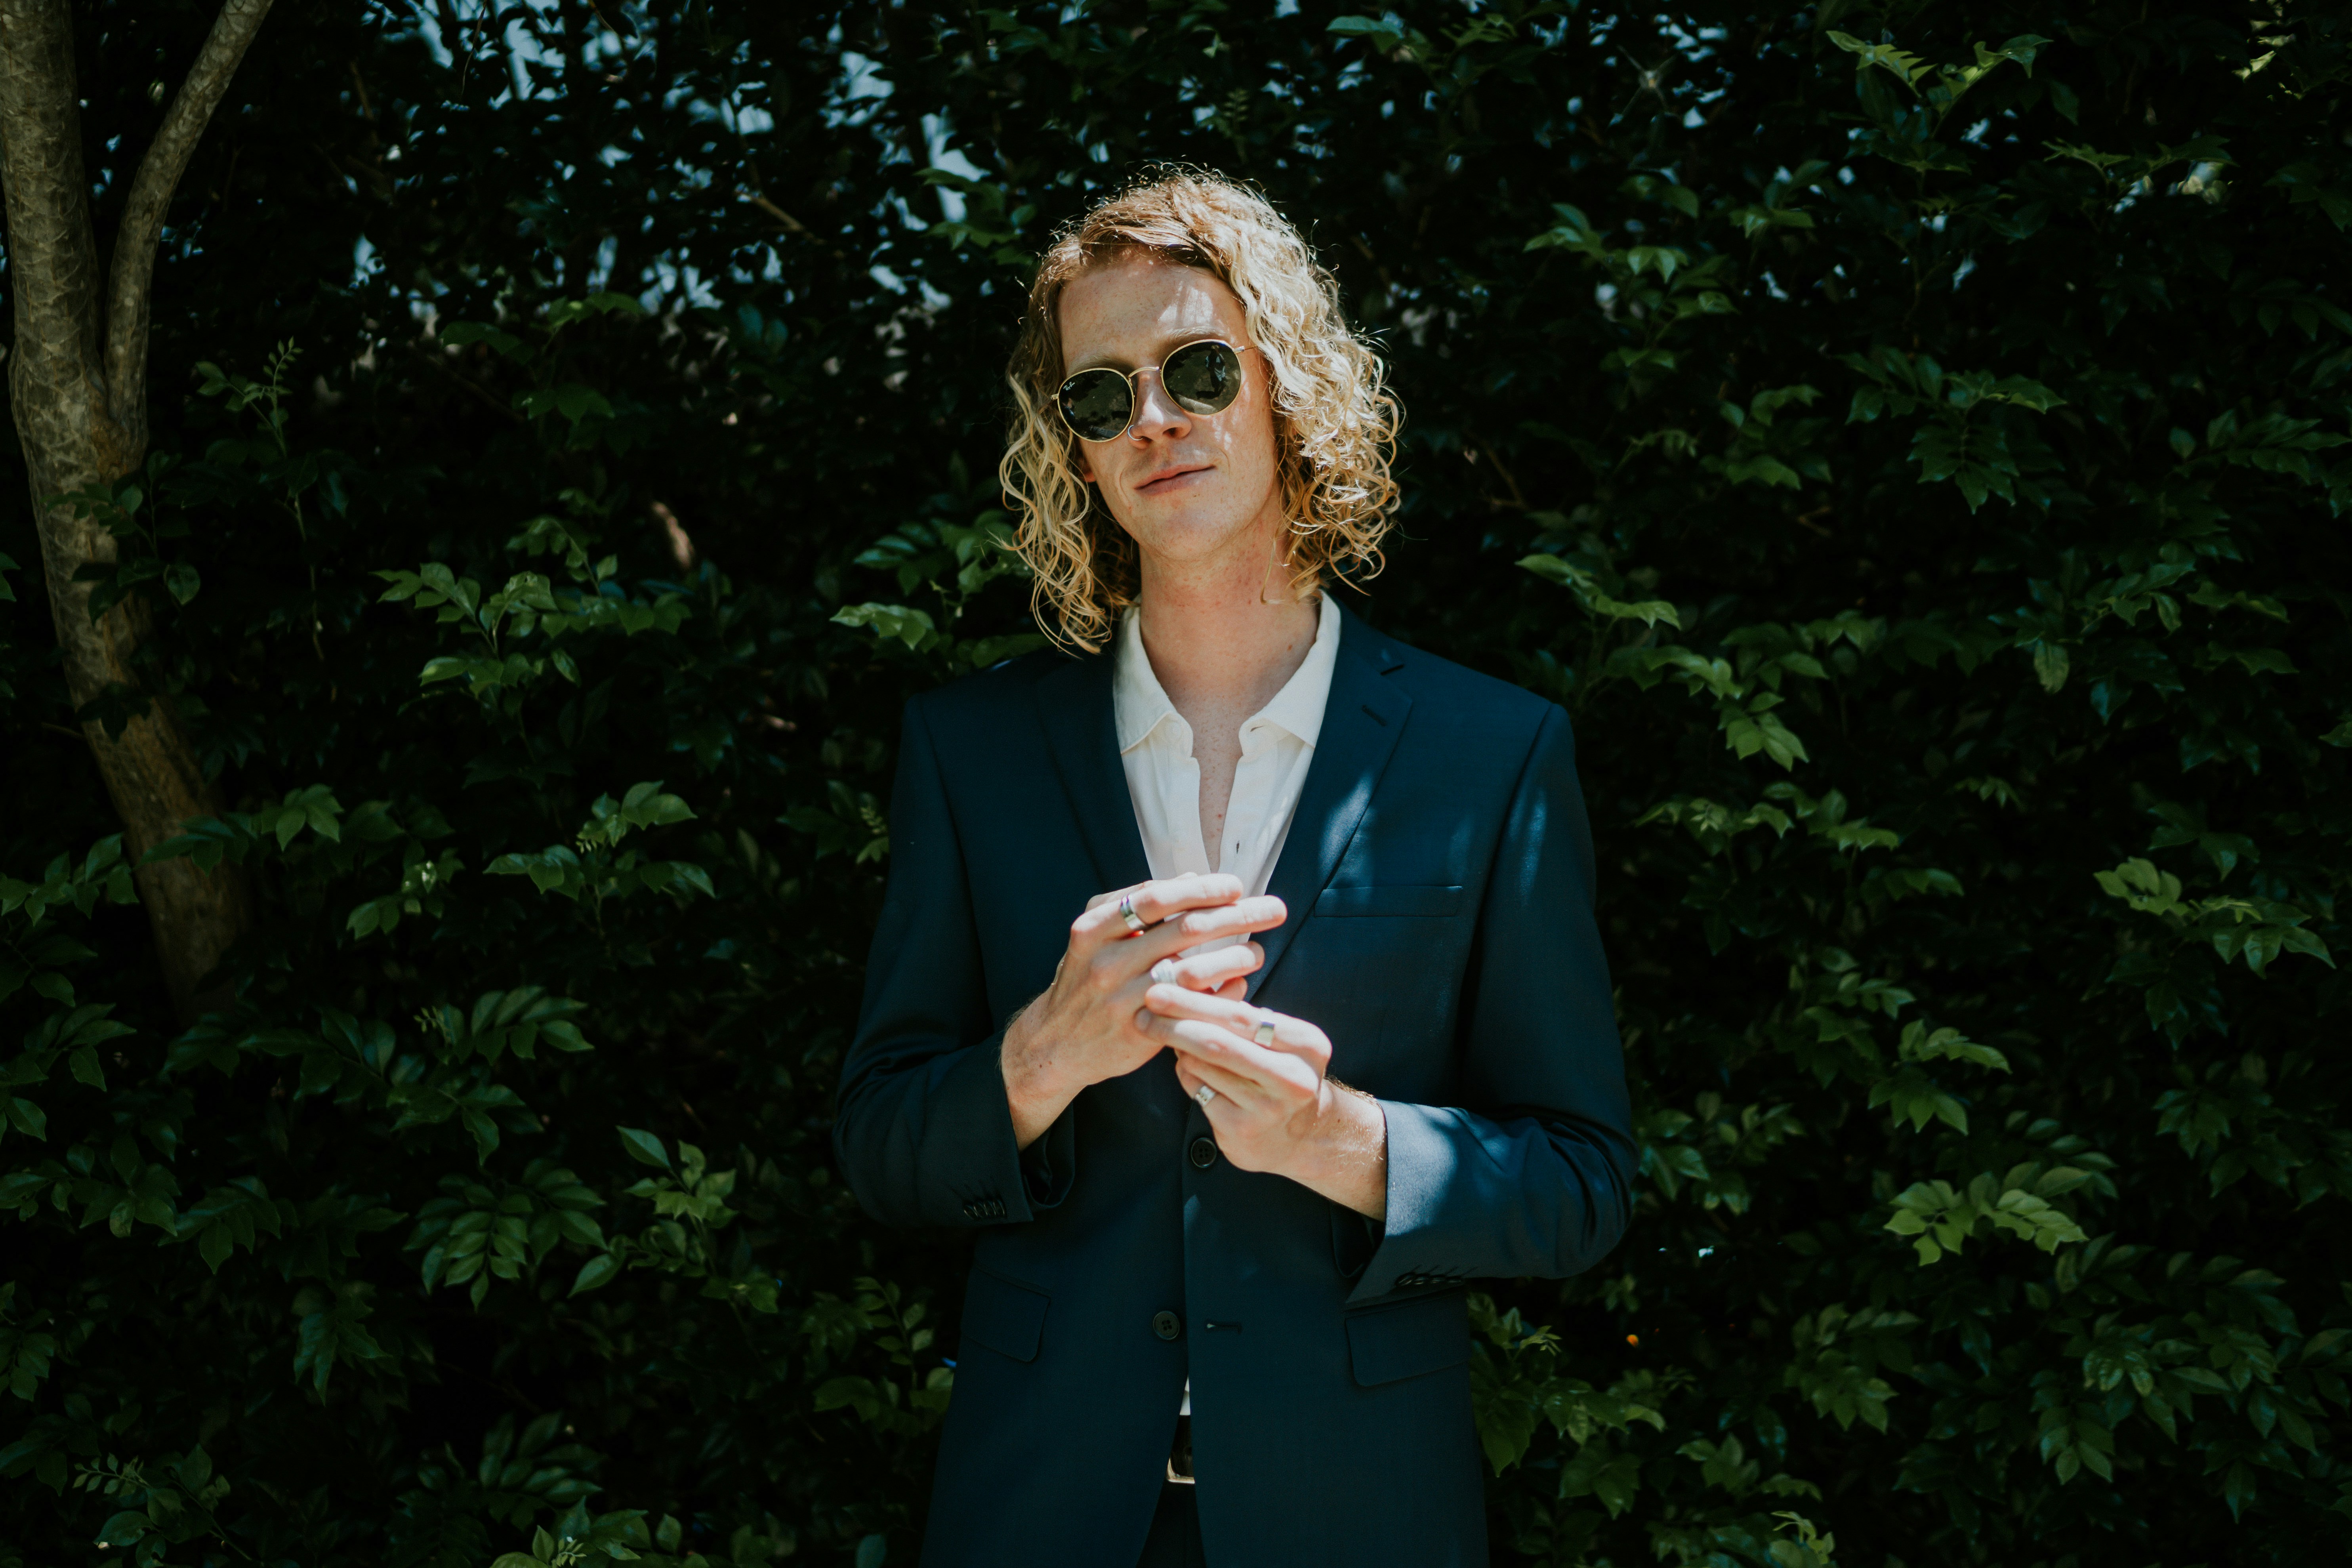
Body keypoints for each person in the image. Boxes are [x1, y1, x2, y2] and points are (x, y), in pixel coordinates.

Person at [833, 170, 1632, 1568]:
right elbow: (882, 1147)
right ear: (1070, 448)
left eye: (1197, 367)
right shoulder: (972, 751)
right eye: (1101, 395)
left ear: (1282, 384)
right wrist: (1039, 1059)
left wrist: (1337, 1138)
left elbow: (1577, 1185)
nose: (1153, 420)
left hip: (1360, 1516)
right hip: (1040, 1514)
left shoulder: (1488, 752)